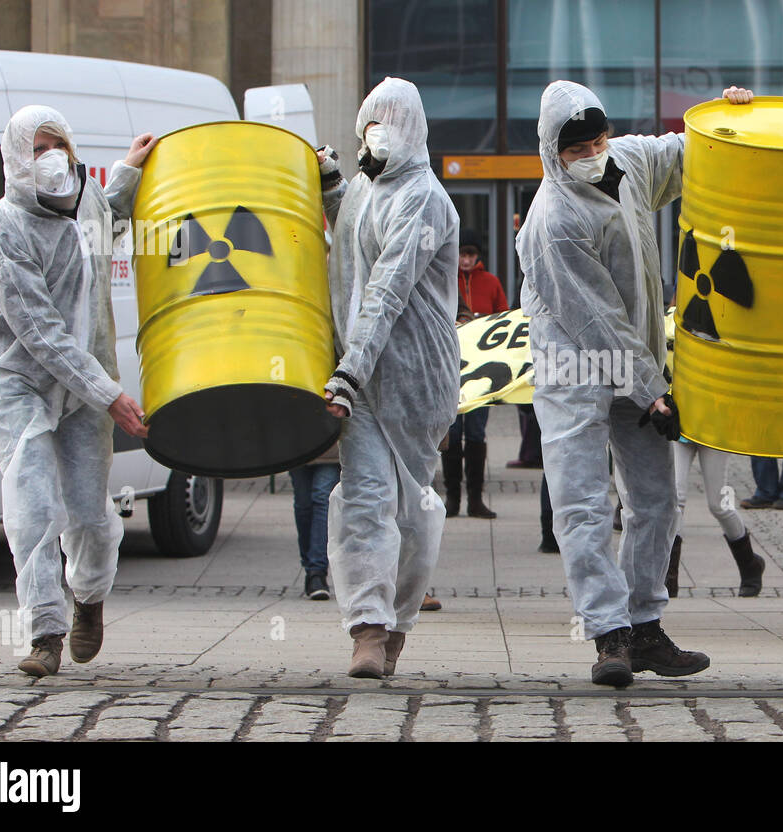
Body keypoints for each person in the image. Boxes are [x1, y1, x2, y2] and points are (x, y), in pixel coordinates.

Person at [517, 80, 752, 686]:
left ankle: (645, 625)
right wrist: (651, 388)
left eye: (598, 139)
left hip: (637, 361)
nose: (594, 152)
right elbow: (594, 319)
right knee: (584, 503)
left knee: (654, 499)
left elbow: (689, 150)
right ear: (552, 152)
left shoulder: (629, 159)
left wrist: (728, 117)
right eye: (578, 148)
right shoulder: (552, 219)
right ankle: (608, 635)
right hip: (574, 367)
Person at [0, 105, 156, 677]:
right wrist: (111, 395)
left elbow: (114, 213)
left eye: (57, 144)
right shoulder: (7, 226)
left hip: (87, 384)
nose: (49, 157)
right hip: (19, 378)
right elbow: (41, 332)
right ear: (14, 158)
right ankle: (44, 631)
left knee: (90, 513)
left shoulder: (87, 200)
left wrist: (127, 168)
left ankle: (89, 599)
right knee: (31, 503)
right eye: (36, 147)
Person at [319, 77, 460, 678]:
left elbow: (387, 289)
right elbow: (351, 236)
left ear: (417, 129)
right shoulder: (363, 190)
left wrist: (349, 369)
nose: (380, 131)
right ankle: (367, 629)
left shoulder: (425, 199)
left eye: (394, 120)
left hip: (414, 379)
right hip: (361, 379)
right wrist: (331, 186)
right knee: (365, 499)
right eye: (373, 119)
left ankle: (398, 621)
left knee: (413, 513)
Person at [443, 229, 509, 518]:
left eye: (470, 254)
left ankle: (475, 498)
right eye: (461, 254)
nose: (465, 259)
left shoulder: (491, 282)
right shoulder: (447, 281)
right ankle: (453, 498)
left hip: (481, 369)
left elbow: (504, 317)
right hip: (452, 369)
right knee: (453, 432)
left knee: (476, 433)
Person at [667, 438, 764, 597]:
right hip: (681, 428)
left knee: (719, 505)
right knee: (675, 500)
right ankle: (669, 576)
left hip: (714, 431)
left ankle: (750, 564)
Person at [288, 447, 340, 601]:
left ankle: (317, 572)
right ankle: (310, 566)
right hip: (295, 446)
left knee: (322, 498)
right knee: (303, 504)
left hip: (329, 446)